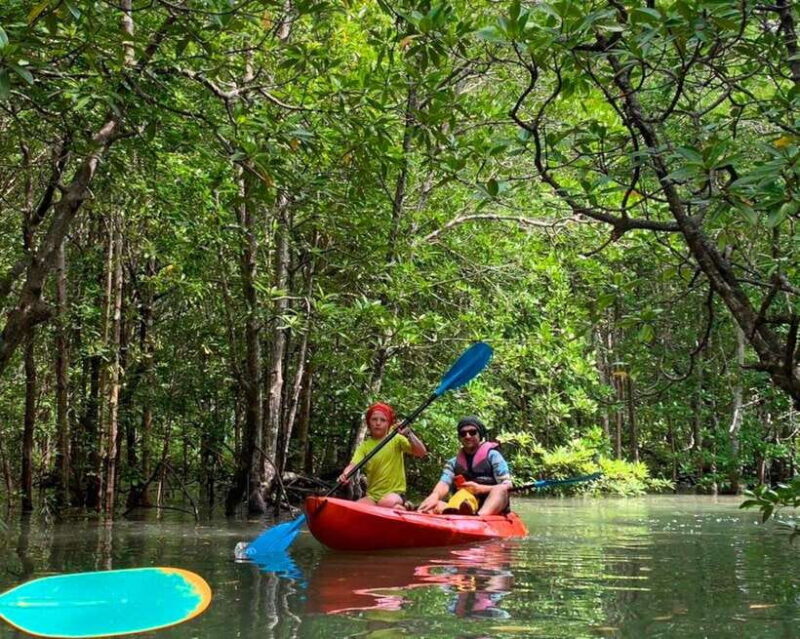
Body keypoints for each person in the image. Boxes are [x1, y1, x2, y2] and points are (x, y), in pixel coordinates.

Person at [338, 402, 427, 509]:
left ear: (389, 423)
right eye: (374, 419)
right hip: (372, 496)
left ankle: (405, 506)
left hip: (395, 494)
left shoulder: (396, 439)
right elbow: (353, 465)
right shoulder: (364, 446)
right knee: (355, 509)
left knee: (385, 503)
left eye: (383, 420)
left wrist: (409, 434)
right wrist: (345, 475)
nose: (378, 423)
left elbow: (422, 452)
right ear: (369, 422)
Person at [418, 416, 512, 516]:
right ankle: (459, 513)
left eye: (472, 432)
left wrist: (480, 488)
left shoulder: (493, 456)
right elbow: (444, 483)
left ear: (479, 435)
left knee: (501, 489)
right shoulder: (453, 462)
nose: (467, 436)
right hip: (463, 503)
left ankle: (478, 517)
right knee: (436, 505)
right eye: (463, 433)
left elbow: (507, 485)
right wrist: (435, 496)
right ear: (459, 438)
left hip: (490, 504)